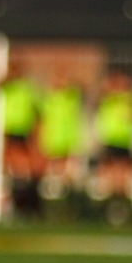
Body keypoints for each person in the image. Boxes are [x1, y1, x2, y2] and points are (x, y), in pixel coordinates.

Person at [92, 72, 132, 224]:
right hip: (110, 141)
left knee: (124, 179)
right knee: (108, 178)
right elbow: (96, 97)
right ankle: (108, 209)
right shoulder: (106, 99)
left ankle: (124, 210)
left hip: (125, 142)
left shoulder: (129, 100)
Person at [37, 75, 85, 209]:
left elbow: (81, 88)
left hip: (68, 141)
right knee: (52, 173)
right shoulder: (48, 99)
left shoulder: (71, 98)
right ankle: (51, 202)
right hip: (52, 142)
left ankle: (67, 202)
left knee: (69, 173)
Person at [0, 66, 41, 217]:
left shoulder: (28, 90)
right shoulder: (6, 88)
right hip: (9, 132)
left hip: (23, 132)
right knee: (10, 169)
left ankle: (28, 206)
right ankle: (11, 204)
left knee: (24, 170)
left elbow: (38, 113)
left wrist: (35, 138)